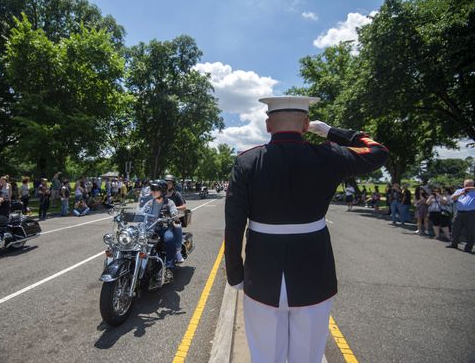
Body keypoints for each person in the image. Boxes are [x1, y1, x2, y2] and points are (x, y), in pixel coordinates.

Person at [225, 95, 388, 363]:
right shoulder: (330, 155)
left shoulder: (247, 161)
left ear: (268, 125)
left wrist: (235, 273)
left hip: (262, 273)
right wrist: (330, 132)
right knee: (308, 356)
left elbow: (233, 225)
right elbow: (378, 152)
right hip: (314, 271)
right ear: (306, 124)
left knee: (265, 355)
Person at [141, 180, 179, 281]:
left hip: (163, 229)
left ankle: (169, 267)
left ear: (162, 191)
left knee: (170, 239)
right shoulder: (149, 203)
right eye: (152, 189)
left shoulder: (169, 202)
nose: (152, 191)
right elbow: (140, 213)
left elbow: (174, 211)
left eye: (155, 190)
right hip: (149, 229)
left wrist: (174, 217)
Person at [447, 179, 475, 252]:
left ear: (473, 185)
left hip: (471, 213)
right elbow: (452, 198)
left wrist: (471, 188)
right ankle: (453, 244)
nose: (467, 186)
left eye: (469, 184)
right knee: (455, 228)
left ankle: (468, 248)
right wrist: (461, 194)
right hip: (459, 212)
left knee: (470, 230)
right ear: (463, 184)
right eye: (466, 184)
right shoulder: (459, 190)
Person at [165, 174, 186, 263]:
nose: (167, 185)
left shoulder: (176, 194)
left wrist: (172, 208)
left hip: (173, 217)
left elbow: (184, 207)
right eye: (166, 183)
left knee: (177, 226)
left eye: (169, 183)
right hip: (161, 218)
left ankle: (178, 251)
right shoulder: (161, 194)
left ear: (173, 184)